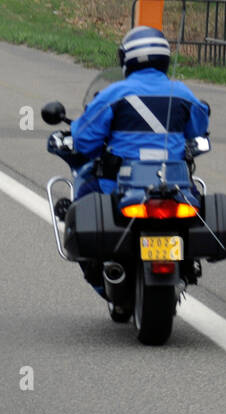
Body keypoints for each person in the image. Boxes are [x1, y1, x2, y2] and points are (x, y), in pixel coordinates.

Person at [67, 26, 210, 295]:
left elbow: (85, 140)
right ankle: (187, 265)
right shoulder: (181, 93)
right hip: (174, 185)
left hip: (119, 186)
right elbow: (198, 128)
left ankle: (101, 277)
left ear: (127, 59)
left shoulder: (114, 94)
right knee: (196, 202)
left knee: (81, 202)